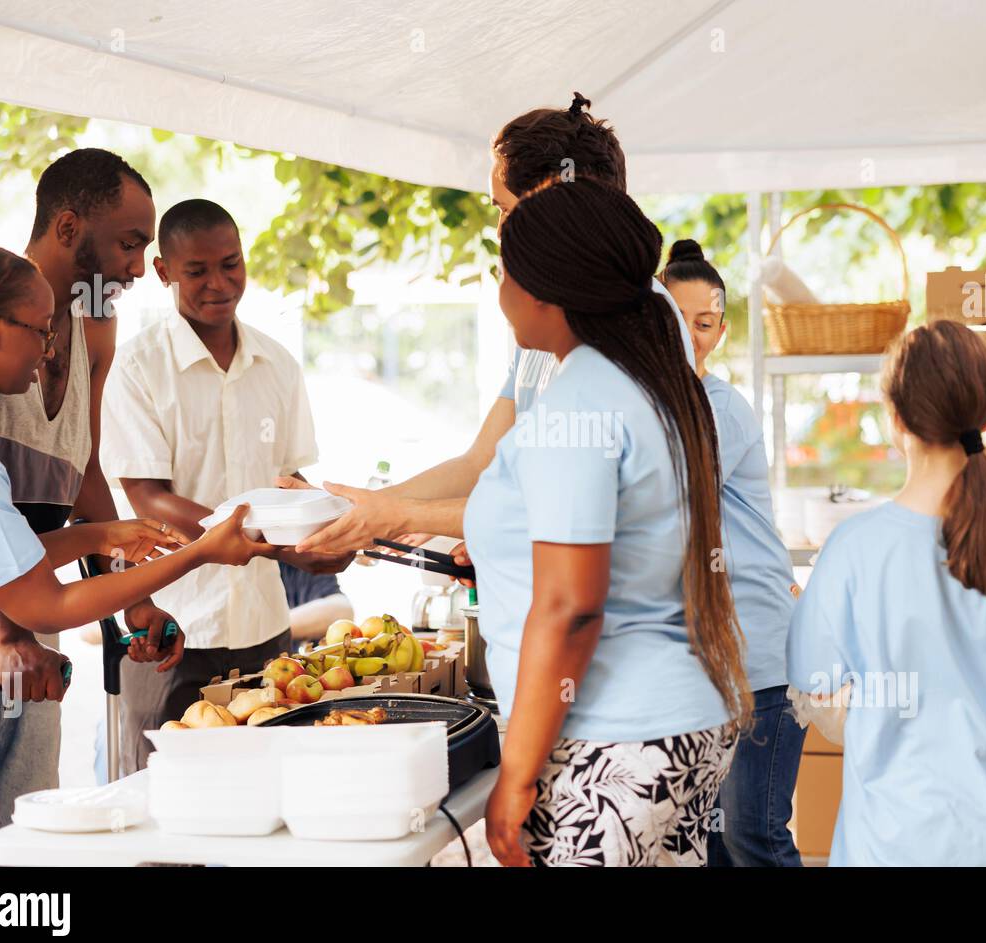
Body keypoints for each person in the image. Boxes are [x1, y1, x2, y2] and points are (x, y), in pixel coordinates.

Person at [0, 243, 273, 862]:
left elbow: (2, 555)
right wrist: (200, 553)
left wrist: (99, 535)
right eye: (38, 331)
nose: (49, 349)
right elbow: (46, 604)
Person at [465, 177, 751, 867]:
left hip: (613, 742)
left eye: (504, 274)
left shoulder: (576, 407)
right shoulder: (654, 384)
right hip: (685, 723)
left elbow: (570, 607)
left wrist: (519, 774)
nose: (499, 291)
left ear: (544, 291)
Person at [280, 93, 694, 555]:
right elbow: (484, 462)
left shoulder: (633, 324)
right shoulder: (549, 326)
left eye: (505, 209)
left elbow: (566, 504)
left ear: (556, 201)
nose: (500, 233)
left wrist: (401, 515)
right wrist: (355, 508)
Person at [0, 149, 179, 866]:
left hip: (33, 598)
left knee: (23, 830)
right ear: (69, 227)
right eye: (130, 243)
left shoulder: (93, 328)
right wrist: (11, 630)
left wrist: (125, 590)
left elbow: (85, 469)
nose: (137, 267)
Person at [785, 320, 986, 866]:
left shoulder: (852, 549)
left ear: (894, 419)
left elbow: (814, 681)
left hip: (886, 847)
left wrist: (809, 613)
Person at [100, 199, 347, 773]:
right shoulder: (137, 367)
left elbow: (291, 481)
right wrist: (247, 529)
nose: (219, 283)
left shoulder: (278, 364)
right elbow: (147, 497)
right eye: (197, 271)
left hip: (265, 626)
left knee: (264, 795)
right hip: (171, 628)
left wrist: (325, 528)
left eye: (231, 264)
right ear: (162, 272)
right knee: (163, 802)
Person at [660, 239, 805, 867]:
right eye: (676, 319)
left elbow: (663, 503)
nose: (691, 336)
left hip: (761, 661)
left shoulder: (723, 409)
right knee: (713, 845)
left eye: (705, 322)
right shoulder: (651, 405)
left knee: (753, 837)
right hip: (708, 665)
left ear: (721, 329)